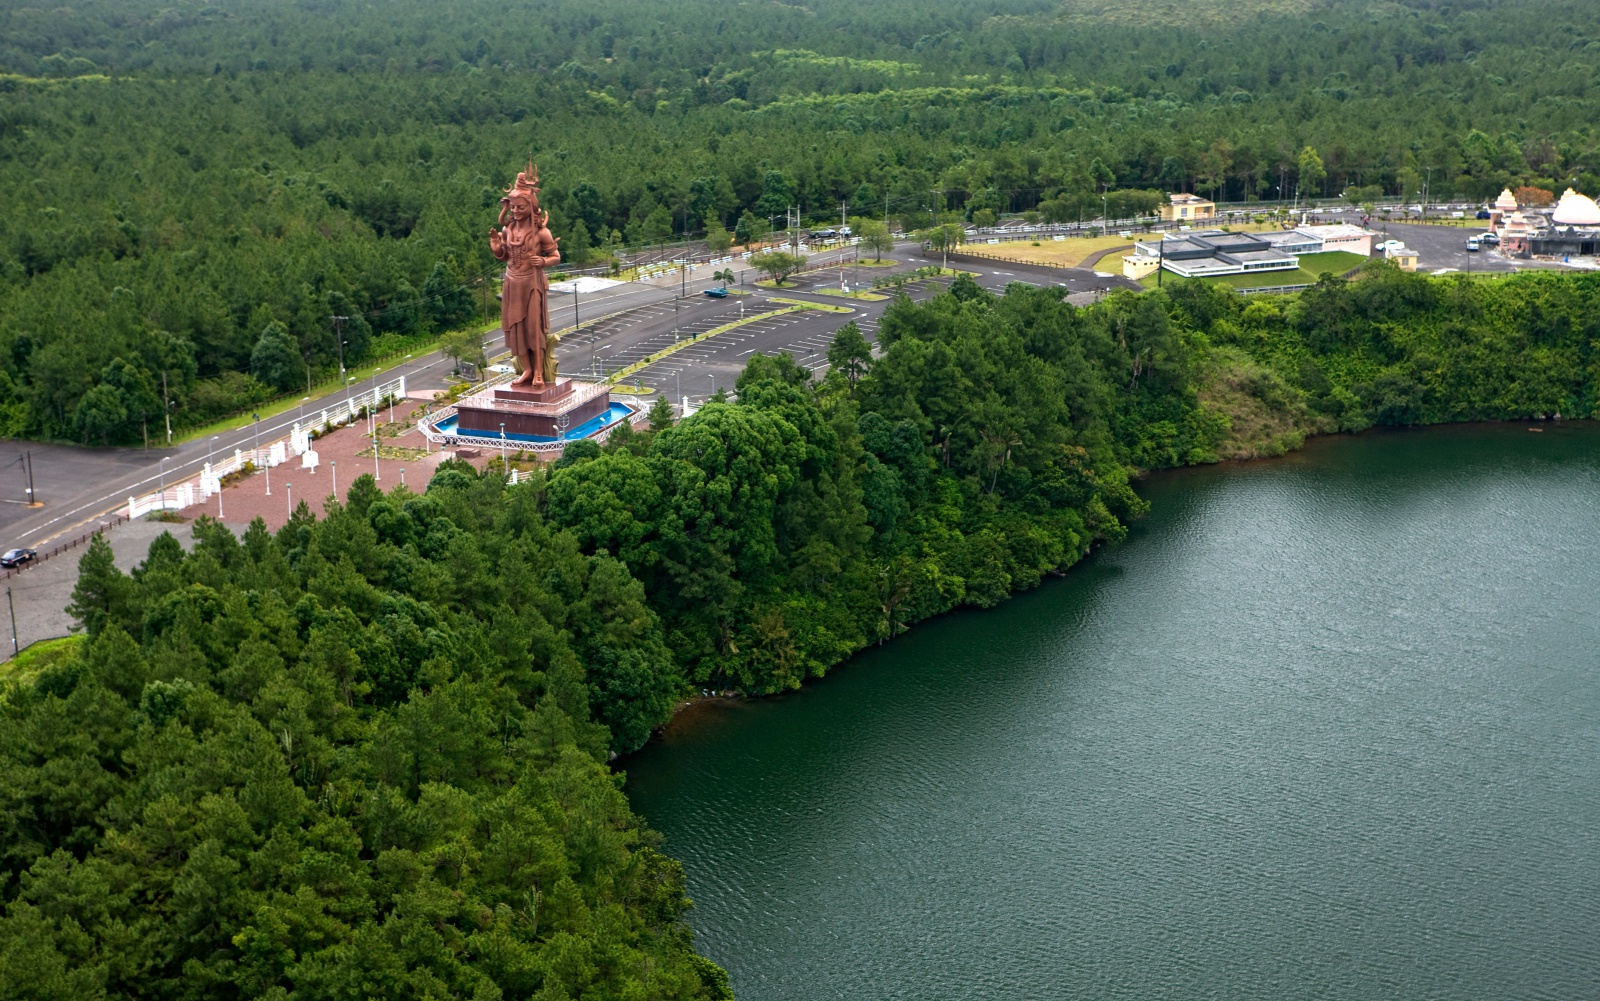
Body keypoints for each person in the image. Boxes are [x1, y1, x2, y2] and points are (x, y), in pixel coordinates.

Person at [488, 163, 561, 387]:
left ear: (531, 207)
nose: (516, 211)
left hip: (532, 283)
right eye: (513, 207)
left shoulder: (541, 232)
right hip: (512, 282)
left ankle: (539, 370)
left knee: (533, 329)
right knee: (516, 329)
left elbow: (555, 256)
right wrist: (496, 248)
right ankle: (527, 370)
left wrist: (543, 261)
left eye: (521, 207)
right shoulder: (508, 230)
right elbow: (505, 256)